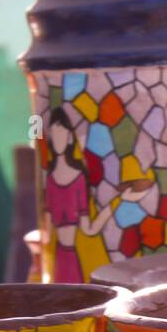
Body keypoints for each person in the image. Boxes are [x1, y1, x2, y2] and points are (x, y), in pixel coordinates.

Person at [42, 108, 110, 283]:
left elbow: (89, 229)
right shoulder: (49, 180)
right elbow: (47, 233)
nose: (58, 139)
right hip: (57, 258)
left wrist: (114, 205)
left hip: (72, 257)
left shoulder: (79, 178)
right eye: (54, 134)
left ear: (70, 137)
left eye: (62, 133)